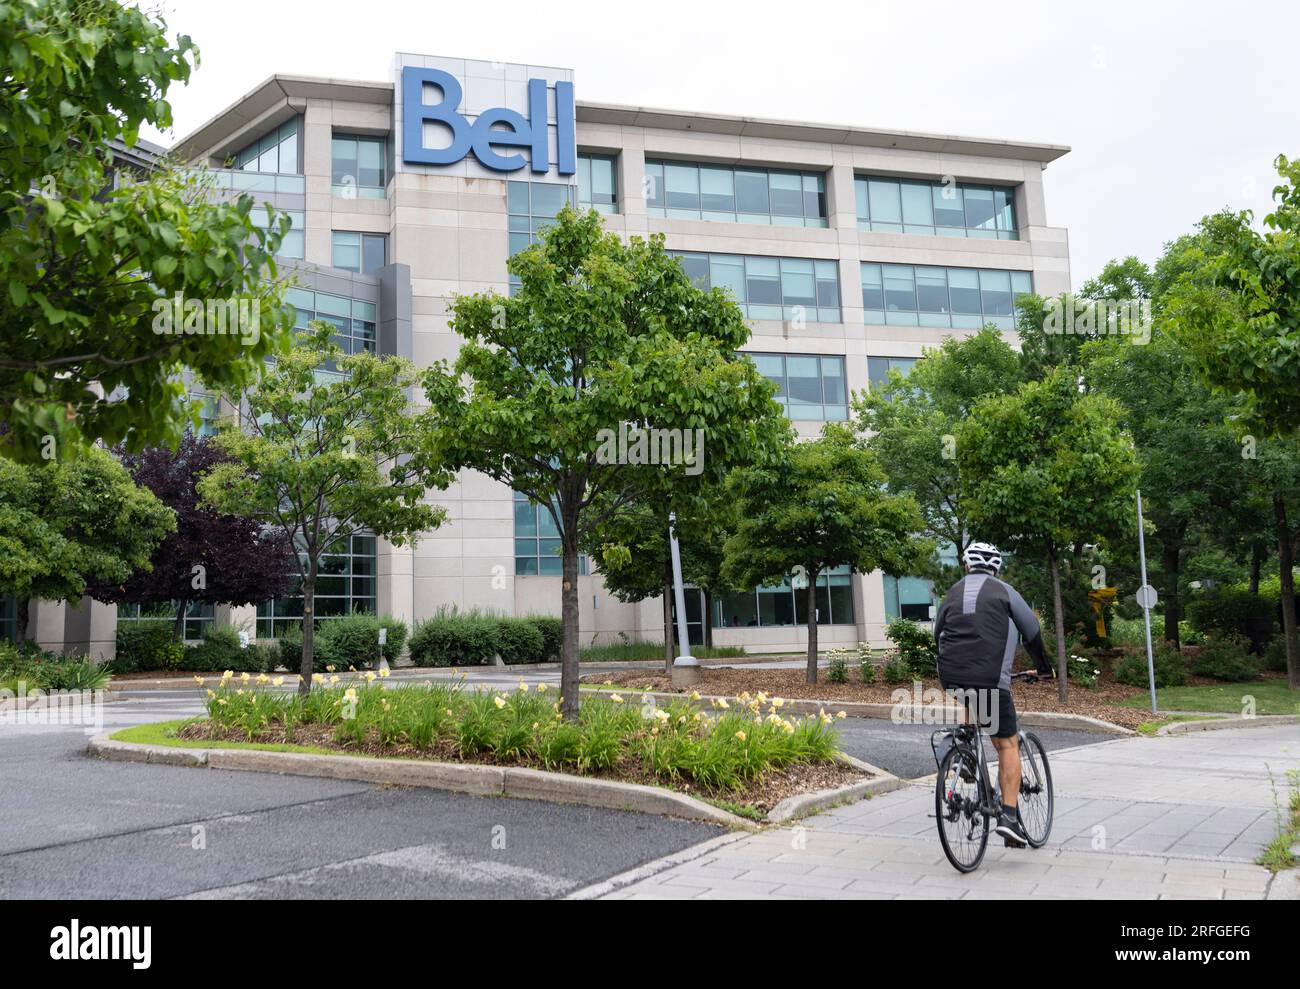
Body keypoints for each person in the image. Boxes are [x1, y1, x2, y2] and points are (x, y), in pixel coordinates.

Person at [934, 541, 1053, 848]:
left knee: (971, 695)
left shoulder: (952, 593)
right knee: (1007, 744)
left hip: (951, 676)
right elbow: (1032, 631)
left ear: (967, 566)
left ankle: (965, 747)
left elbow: (938, 634)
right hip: (989, 679)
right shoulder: (1004, 591)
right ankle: (1009, 818)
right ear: (996, 568)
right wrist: (1044, 668)